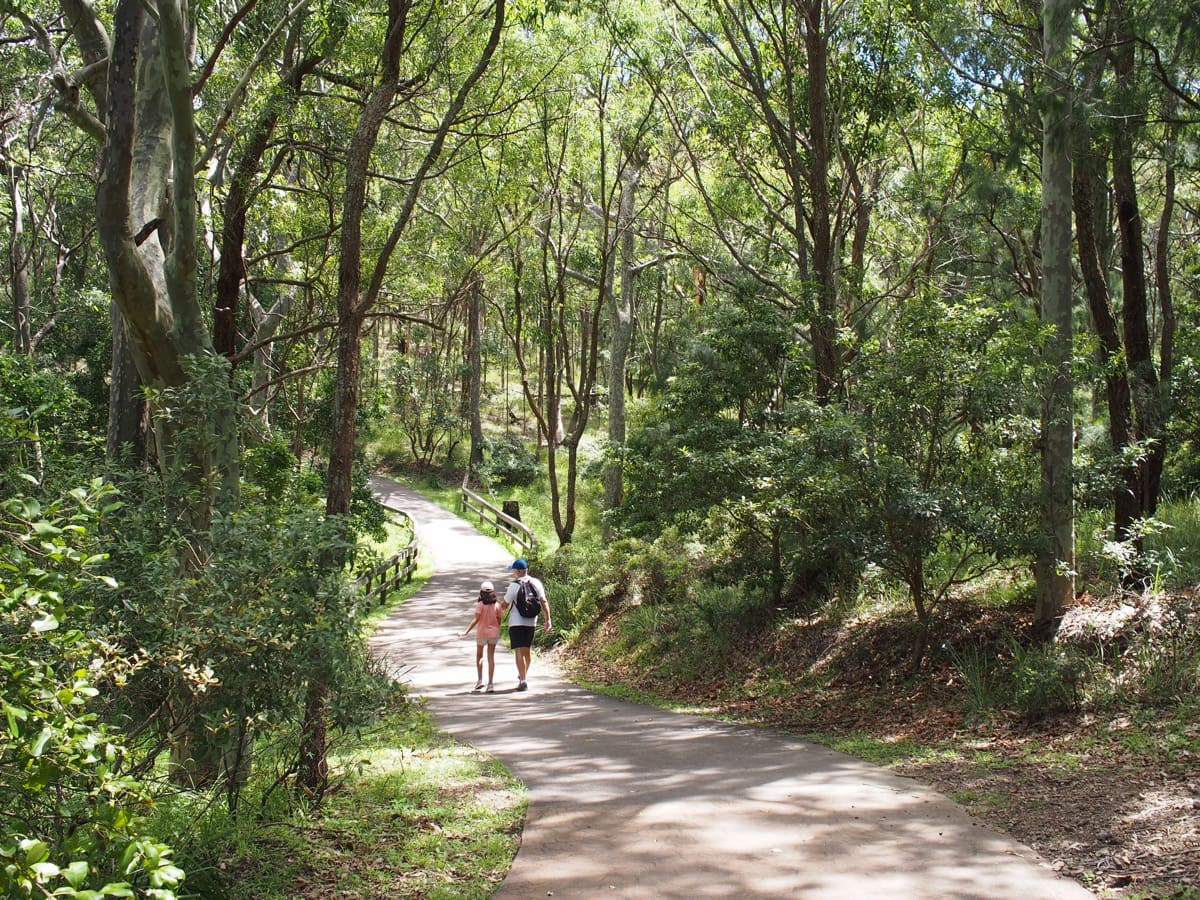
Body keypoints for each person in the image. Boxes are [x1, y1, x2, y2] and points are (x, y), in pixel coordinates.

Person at [503, 558, 551, 691]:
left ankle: (523, 680)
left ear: (518, 571)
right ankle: (524, 675)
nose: (513, 572)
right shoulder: (536, 583)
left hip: (516, 623)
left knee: (518, 651)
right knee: (527, 650)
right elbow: (543, 601)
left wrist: (494, 613)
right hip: (531, 622)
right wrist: (548, 619)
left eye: (513, 569)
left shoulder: (514, 586)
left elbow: (505, 605)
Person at [462, 580, 506, 692]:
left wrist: (466, 631)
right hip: (493, 633)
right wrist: (496, 627)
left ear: (481, 592)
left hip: (481, 633)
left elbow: (476, 619)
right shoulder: (497, 605)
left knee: (479, 656)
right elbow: (499, 619)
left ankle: (480, 680)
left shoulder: (480, 605)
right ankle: (490, 683)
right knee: (491, 657)